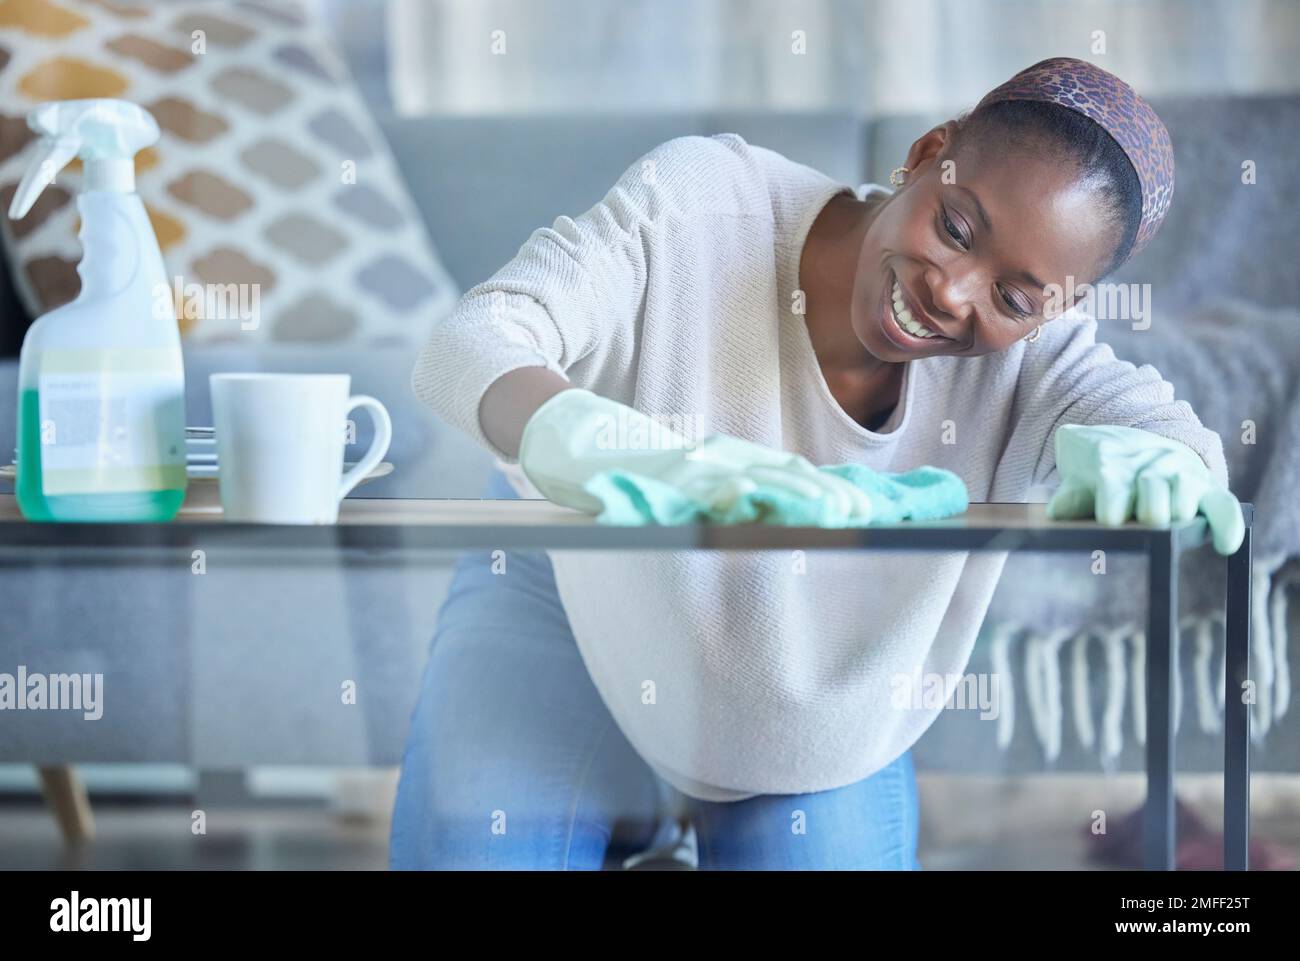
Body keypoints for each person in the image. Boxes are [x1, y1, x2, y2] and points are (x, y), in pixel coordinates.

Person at [390, 57, 1241, 870]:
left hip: (796, 709)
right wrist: (600, 446)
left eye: (1014, 297)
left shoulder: (1036, 357)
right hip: (574, 590)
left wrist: (1165, 458)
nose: (952, 291)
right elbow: (474, 339)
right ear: (927, 154)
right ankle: (627, 802)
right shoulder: (701, 201)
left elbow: (1164, 428)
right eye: (954, 228)